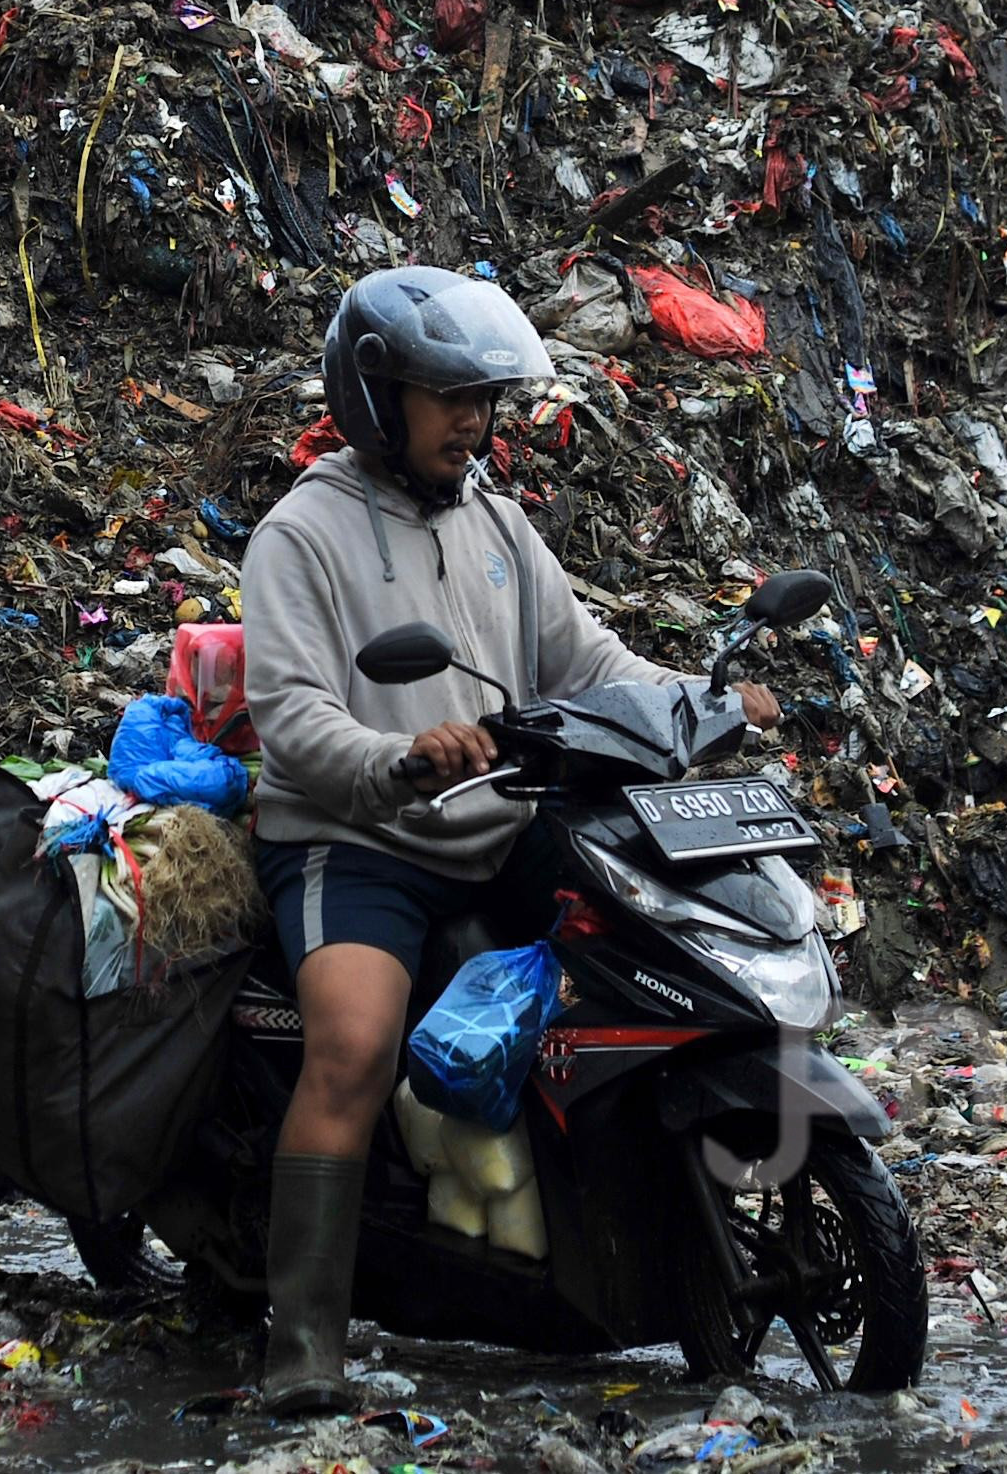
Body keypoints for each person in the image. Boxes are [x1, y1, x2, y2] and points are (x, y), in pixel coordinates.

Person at [240, 266, 780, 1412]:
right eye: (450, 397)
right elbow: (288, 718)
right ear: (378, 396)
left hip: (496, 825)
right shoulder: (302, 534)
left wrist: (704, 703)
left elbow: (586, 663)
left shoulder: (495, 520)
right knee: (352, 1044)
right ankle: (302, 1345)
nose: (475, 419)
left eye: (484, 396)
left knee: (658, 956)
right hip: (358, 840)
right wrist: (397, 759)